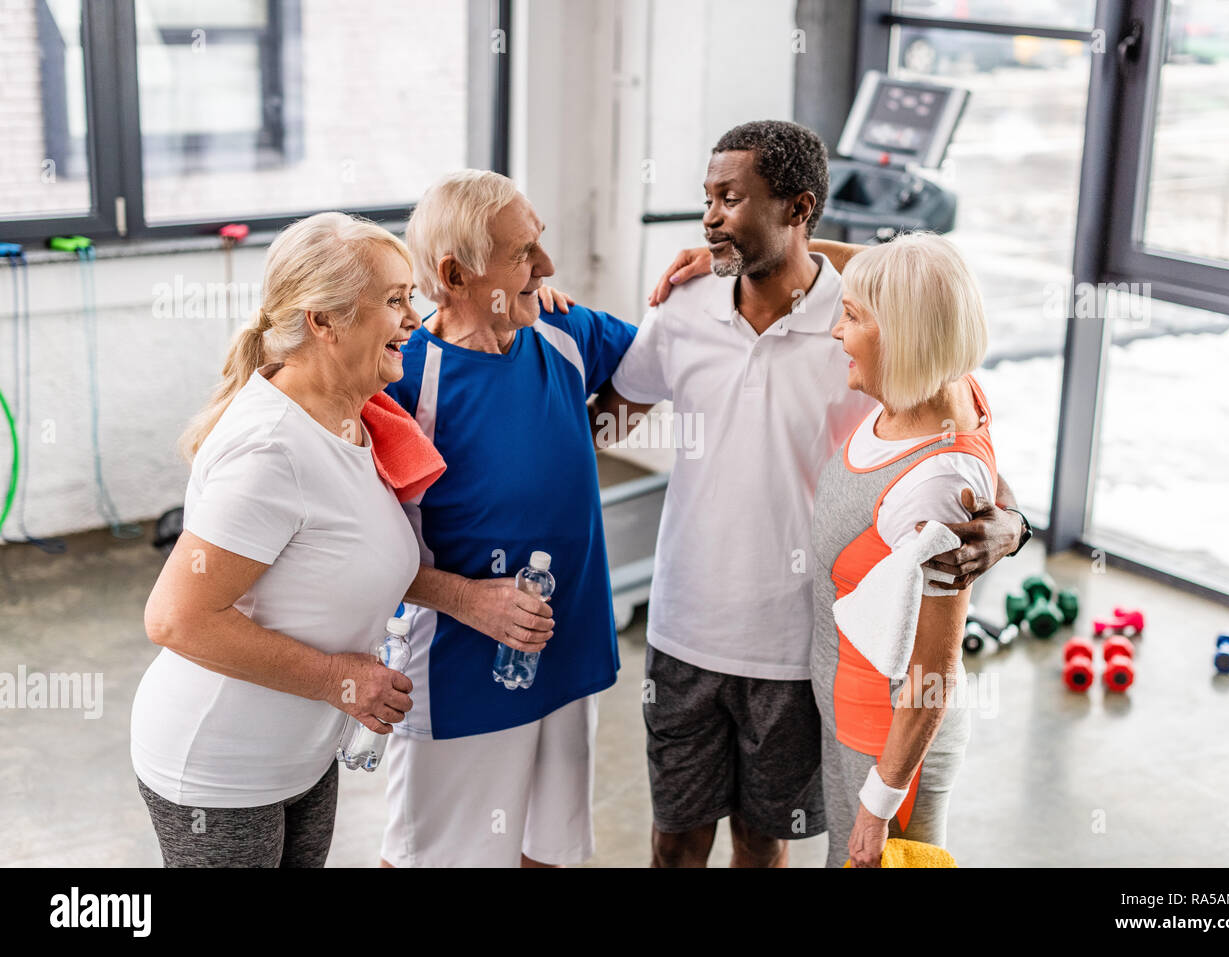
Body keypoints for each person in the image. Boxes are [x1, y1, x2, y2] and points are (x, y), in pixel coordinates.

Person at [594, 120, 1031, 867]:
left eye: (731, 199)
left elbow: (951, 427)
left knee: (763, 845)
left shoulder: (864, 323)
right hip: (683, 632)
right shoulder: (686, 304)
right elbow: (607, 417)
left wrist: (1011, 521)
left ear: (798, 209)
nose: (710, 216)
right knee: (674, 842)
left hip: (796, 649)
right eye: (707, 198)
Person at [131, 212, 435, 867]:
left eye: (410, 296)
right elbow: (176, 618)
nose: (414, 318)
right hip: (219, 769)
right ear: (325, 322)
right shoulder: (271, 450)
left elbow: (342, 557)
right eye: (393, 300)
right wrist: (338, 677)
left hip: (300, 754)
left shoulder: (350, 417)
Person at [383, 169, 638, 868]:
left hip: (568, 647)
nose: (548, 268)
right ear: (455, 272)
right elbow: (362, 555)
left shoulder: (562, 330)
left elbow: (664, 363)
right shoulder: (402, 377)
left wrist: (717, 272)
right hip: (459, 664)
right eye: (525, 253)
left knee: (551, 852)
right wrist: (468, 599)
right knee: (430, 857)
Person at [815, 232, 996, 868]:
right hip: (845, 711)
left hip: (887, 743)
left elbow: (933, 672)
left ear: (906, 335)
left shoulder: (937, 487)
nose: (837, 332)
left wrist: (880, 801)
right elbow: (902, 280)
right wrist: (770, 245)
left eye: (854, 317)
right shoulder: (951, 390)